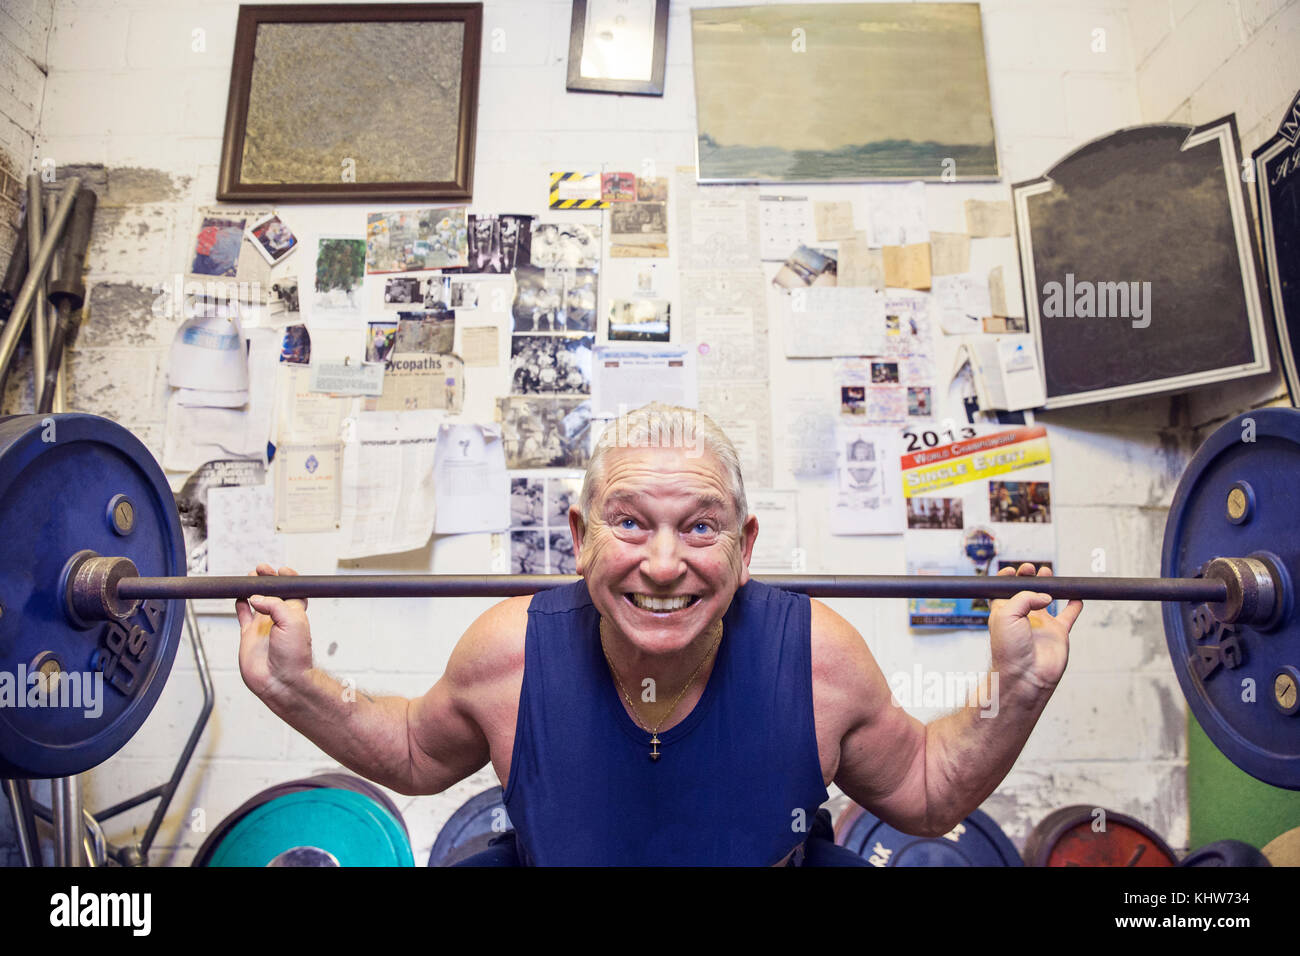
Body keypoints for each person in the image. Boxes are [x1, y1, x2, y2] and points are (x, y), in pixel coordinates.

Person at [236, 403, 1080, 866]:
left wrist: (1018, 689)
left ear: (746, 549)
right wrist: (293, 685)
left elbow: (927, 793)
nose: (665, 564)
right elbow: (417, 753)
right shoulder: (512, 652)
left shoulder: (816, 657)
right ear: (579, 538)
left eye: (702, 529)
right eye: (631, 523)